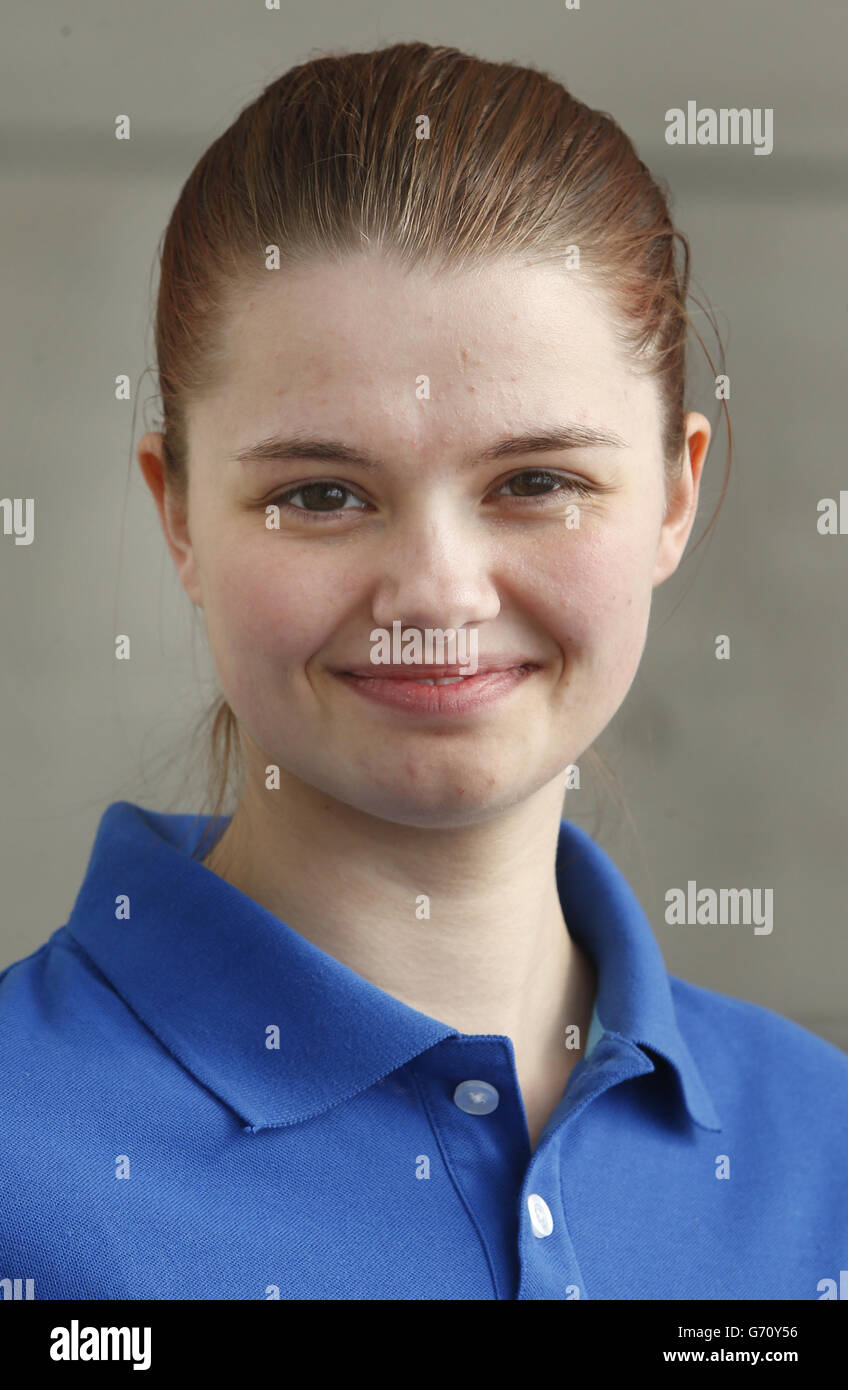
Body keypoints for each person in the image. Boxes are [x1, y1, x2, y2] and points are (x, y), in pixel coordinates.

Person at [2, 40, 846, 1302]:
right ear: (177, 514)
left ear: (674, 492)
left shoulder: (822, 1150)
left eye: (535, 483)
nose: (438, 594)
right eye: (323, 492)